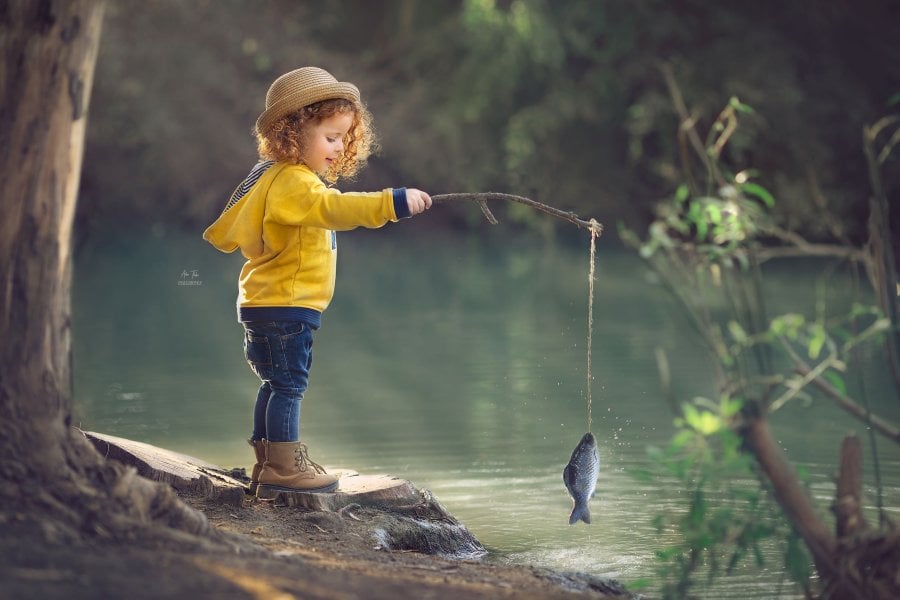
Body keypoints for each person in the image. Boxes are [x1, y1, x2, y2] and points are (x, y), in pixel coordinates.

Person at [203, 67, 431, 498]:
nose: (340, 146)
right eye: (330, 136)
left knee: (275, 384)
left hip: (266, 303)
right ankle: (286, 468)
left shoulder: (278, 177)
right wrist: (393, 202)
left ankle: (270, 463)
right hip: (286, 306)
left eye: (344, 138)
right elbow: (336, 210)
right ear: (292, 133)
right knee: (289, 385)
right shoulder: (294, 182)